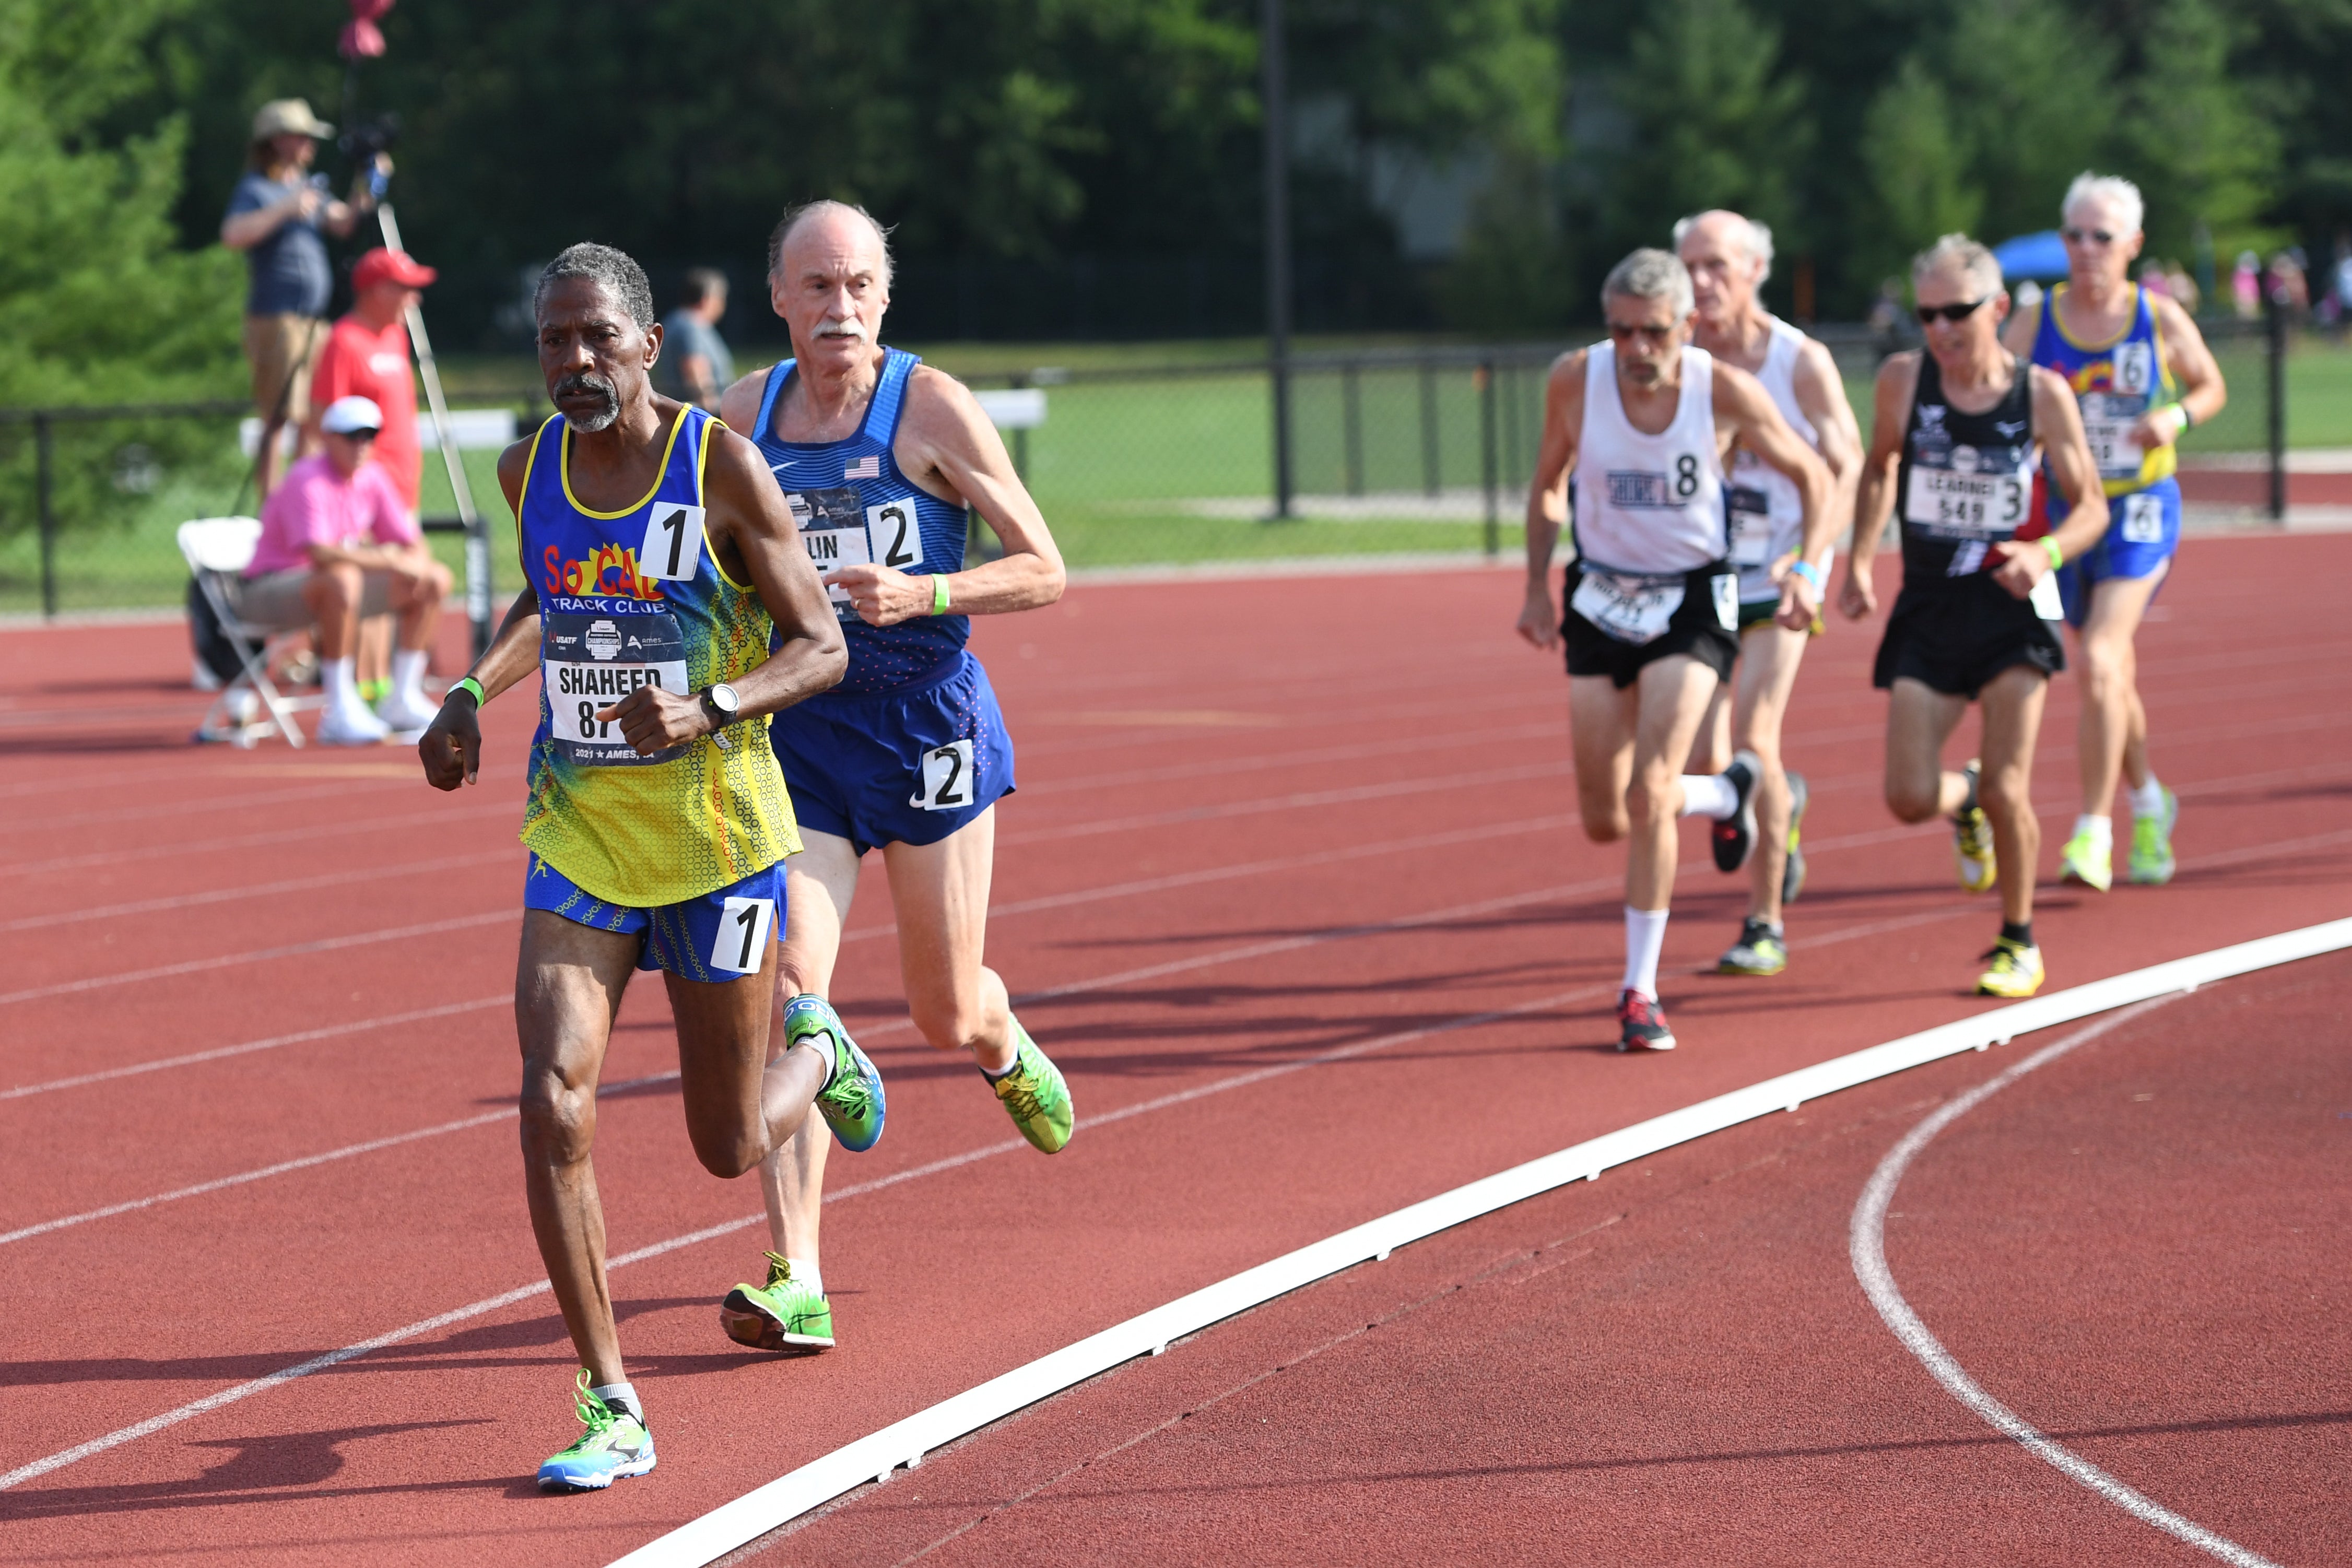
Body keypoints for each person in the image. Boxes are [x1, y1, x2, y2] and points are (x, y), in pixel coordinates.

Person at [415, 243, 885, 1492]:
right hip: (578, 834)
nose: (572, 362)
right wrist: (469, 691)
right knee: (552, 1101)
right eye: (551, 342)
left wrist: (713, 704)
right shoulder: (532, 468)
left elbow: (822, 644)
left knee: (728, 1143)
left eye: (594, 339)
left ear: (645, 343)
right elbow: (544, 601)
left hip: (717, 839)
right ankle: (610, 1399)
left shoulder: (716, 463)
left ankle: (820, 1049)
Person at [711, 200, 1071, 1352]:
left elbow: (1043, 567)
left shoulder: (930, 406)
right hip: (804, 735)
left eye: (858, 285)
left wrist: (929, 592)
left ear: (885, 294)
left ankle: (997, 1036)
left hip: (925, 729)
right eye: (815, 287)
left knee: (937, 1005)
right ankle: (795, 1274)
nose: (839, 308)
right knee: (788, 988)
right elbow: (700, 570)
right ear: (777, 298)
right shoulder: (739, 420)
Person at [1516, 249, 1832, 1053]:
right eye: (1621, 331)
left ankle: (1640, 991)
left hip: (1692, 597)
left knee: (1652, 792)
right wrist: (1532, 585)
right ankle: (1729, 796)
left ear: (1687, 326)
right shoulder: (1574, 382)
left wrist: (1806, 567)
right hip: (1599, 594)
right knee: (1604, 816)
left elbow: (1814, 476)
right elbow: (1547, 484)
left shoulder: (1721, 388)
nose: (1636, 349)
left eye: (1653, 332)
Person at [1841, 234, 2110, 999]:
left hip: (2015, 604)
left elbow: (2090, 506)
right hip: (1929, 602)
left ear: (1997, 308)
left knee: (2012, 784)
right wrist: (1859, 558)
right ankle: (1966, 799)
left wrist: (2047, 553)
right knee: (1907, 796)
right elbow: (1879, 467)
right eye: (1927, 313)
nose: (1940, 328)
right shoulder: (1904, 380)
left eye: (1956, 311)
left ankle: (2018, 939)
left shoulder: (2041, 394)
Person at [2001, 173, 2225, 891]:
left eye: (2103, 237)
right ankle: (2150, 800)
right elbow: (1999, 392)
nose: (2087, 249)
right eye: (2076, 235)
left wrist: (2175, 417)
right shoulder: (2038, 321)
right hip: (2063, 515)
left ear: (2133, 244)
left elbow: (2210, 385)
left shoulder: (2154, 317)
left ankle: (2093, 831)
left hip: (2137, 506)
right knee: (2108, 674)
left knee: (2100, 656)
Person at [1674, 210, 1863, 976]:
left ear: (1755, 269)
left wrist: (1814, 565)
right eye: (1688, 265)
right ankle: (1768, 805)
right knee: (1700, 755)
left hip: (1782, 576)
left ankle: (1765, 922)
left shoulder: (1798, 360)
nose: (1700, 282)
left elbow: (1845, 467)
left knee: (1758, 736)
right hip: (1704, 577)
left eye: (1716, 265)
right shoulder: (1673, 355)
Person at [239, 396, 452, 744]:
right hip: (265, 592)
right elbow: (321, 554)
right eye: (352, 436)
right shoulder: (306, 478)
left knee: (434, 579)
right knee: (342, 579)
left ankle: (402, 698)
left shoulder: (374, 477)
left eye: (369, 436)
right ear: (328, 438)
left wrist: (415, 563)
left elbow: (411, 541)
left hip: (338, 589)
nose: (361, 445)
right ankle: (339, 709)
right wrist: (390, 559)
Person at [219, 99, 385, 499]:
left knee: (315, 417)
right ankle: (274, 506)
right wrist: (286, 209)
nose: (311, 144)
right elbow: (233, 234)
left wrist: (372, 182)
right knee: (279, 417)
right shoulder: (258, 189)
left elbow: (344, 222)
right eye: (303, 137)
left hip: (314, 320)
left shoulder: (307, 186)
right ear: (278, 142)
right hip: (278, 317)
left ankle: (306, 501)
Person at [308, 247, 437, 510]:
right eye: (406, 289)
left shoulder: (396, 336)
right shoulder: (343, 341)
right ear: (381, 290)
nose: (415, 299)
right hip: (363, 498)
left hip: (404, 490)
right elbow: (324, 424)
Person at [658, 269, 735, 412]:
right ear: (707, 300)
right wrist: (710, 409)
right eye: (721, 299)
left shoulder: (679, 321)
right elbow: (694, 366)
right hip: (699, 414)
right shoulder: (689, 326)